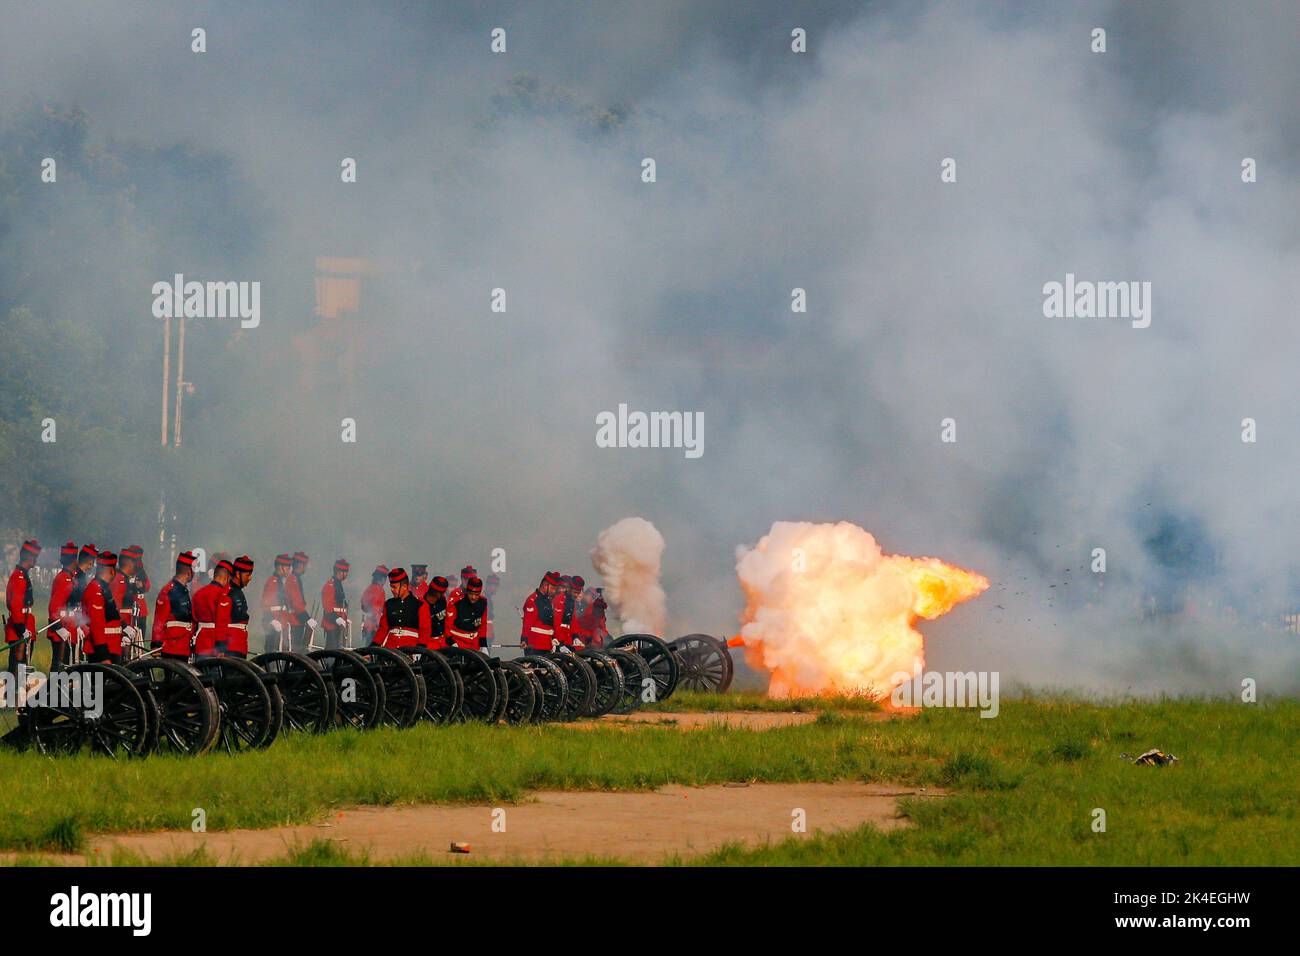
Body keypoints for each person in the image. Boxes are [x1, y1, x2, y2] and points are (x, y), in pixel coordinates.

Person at [153, 550, 198, 661]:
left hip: (184, 645)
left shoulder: (184, 590)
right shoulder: (168, 591)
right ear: (189, 571)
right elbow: (159, 620)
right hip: (171, 647)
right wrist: (156, 644)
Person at [5, 539, 41, 673]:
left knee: (23, 666)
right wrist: (21, 629)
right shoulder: (19, 577)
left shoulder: (22, 575)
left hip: (26, 623)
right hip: (20, 626)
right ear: (27, 556)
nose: (35, 560)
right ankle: (14, 692)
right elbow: (16, 606)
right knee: (18, 665)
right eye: (34, 557)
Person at [82, 550, 125, 664]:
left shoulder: (103, 588)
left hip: (112, 647)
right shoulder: (95, 589)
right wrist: (103, 656)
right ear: (112, 570)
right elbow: (96, 626)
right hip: (102, 651)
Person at [47, 541, 79, 668]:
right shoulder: (63, 579)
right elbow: (54, 606)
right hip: (61, 629)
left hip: (67, 627)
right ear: (73, 561)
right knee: (59, 666)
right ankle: (54, 688)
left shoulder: (70, 577)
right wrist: (59, 627)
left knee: (66, 666)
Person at [192, 559, 234, 658]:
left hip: (200, 642)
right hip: (215, 645)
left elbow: (194, 619)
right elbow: (222, 622)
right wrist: (221, 647)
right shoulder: (223, 596)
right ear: (227, 577)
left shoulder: (198, 594)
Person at [372, 567, 422, 649]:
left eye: (394, 587)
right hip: (391, 648)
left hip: (411, 649)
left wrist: (420, 649)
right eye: (391, 587)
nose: (392, 590)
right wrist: (374, 646)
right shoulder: (389, 604)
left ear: (405, 587)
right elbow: (383, 629)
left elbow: (425, 630)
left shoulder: (419, 604)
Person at [260, 553, 294, 652]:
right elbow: (265, 604)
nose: (289, 570)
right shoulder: (272, 582)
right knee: (273, 651)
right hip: (274, 624)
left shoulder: (282, 582)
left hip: (283, 624)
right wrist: (271, 620)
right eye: (288, 567)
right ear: (281, 567)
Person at [521, 571, 561, 653]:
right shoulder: (532, 600)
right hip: (534, 645)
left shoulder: (549, 601)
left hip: (547, 645)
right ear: (546, 586)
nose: (554, 591)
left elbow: (551, 623)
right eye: (553, 588)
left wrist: (554, 638)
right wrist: (524, 639)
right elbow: (527, 623)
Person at [445, 575, 489, 649]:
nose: (473, 597)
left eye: (476, 594)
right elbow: (447, 625)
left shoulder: (483, 602)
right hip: (458, 641)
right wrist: (451, 642)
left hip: (474, 643)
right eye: (471, 594)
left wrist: (483, 645)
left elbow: (483, 625)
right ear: (467, 591)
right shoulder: (456, 603)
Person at [226, 555, 256, 658]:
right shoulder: (228, 592)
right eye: (248, 575)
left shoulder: (238, 592)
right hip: (231, 647)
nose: (250, 578)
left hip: (239, 645)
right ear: (238, 574)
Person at [287, 551, 315, 651]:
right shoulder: (292, 579)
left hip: (297, 620)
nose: (305, 568)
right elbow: (296, 604)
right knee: (295, 650)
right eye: (304, 565)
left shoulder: (295, 579)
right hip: (293, 620)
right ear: (299, 565)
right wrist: (307, 618)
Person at [320, 558, 351, 649]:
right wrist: (337, 619)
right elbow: (328, 607)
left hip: (339, 623)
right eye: (344, 571)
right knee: (332, 650)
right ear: (338, 571)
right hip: (332, 623)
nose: (346, 574)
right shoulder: (330, 585)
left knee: (338, 649)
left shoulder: (338, 584)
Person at [418, 575, 449, 649]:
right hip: (429, 643)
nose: (443, 594)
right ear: (433, 590)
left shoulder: (442, 601)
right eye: (441, 592)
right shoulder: (421, 604)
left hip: (443, 641)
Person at [361, 565, 388, 644]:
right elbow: (376, 610)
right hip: (374, 627)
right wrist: (380, 626)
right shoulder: (379, 590)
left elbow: (363, 606)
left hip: (367, 626)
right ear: (382, 579)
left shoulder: (369, 588)